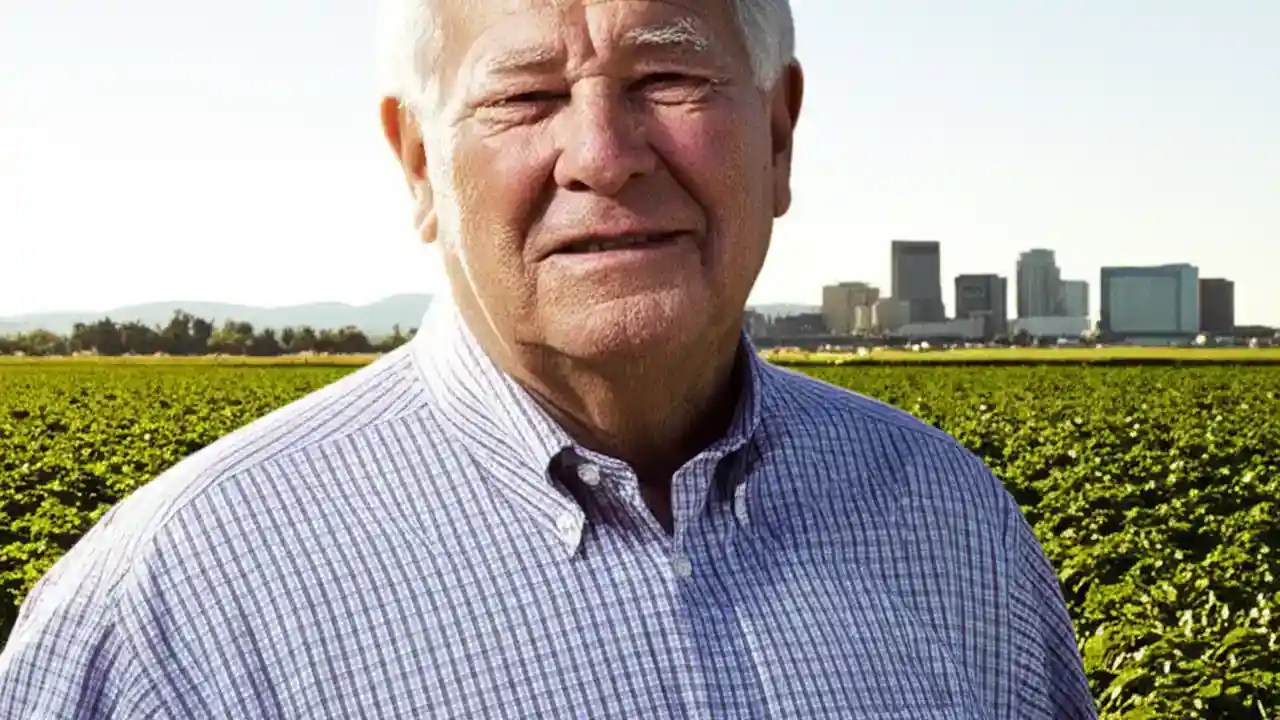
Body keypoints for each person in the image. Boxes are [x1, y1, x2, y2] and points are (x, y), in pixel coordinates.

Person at [0, 0, 1098, 717]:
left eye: (668, 78)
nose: (605, 157)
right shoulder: (169, 607)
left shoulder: (950, 523)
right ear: (419, 162)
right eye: (525, 97)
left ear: (776, 134)